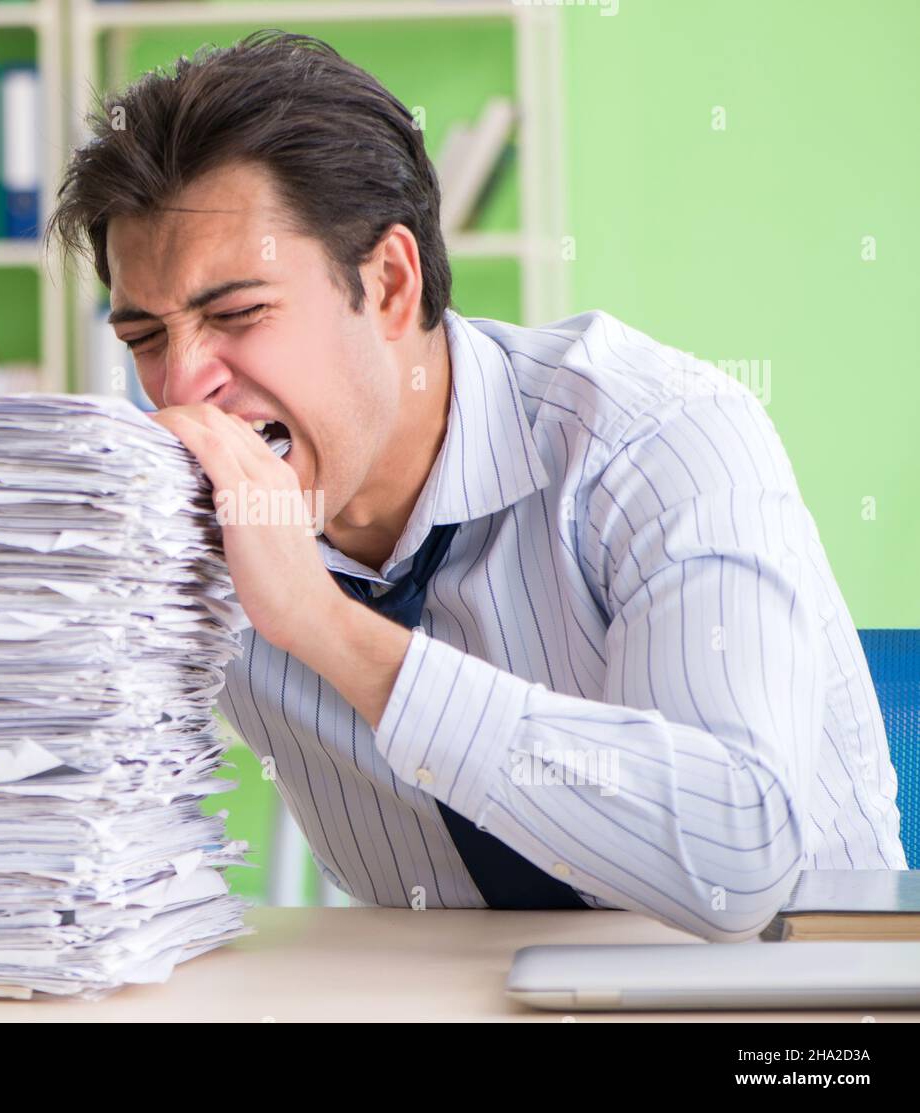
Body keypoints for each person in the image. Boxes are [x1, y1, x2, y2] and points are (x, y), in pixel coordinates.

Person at [48, 30, 905, 942]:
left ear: (389, 283)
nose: (182, 384)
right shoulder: (182, 530)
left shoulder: (657, 435)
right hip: (447, 997)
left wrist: (325, 626)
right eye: (144, 338)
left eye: (237, 313)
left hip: (799, 995)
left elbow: (740, 860)